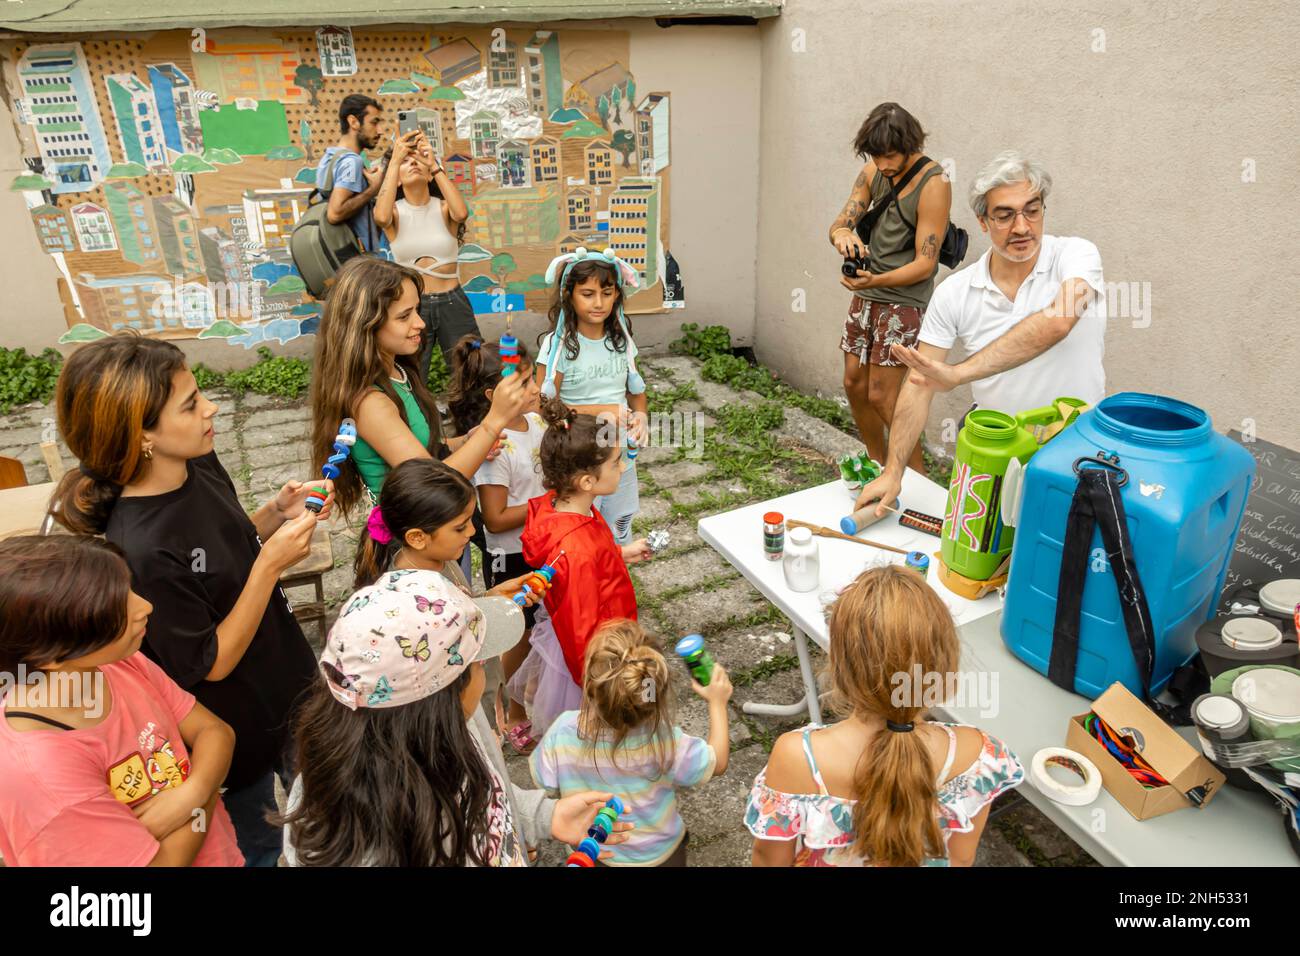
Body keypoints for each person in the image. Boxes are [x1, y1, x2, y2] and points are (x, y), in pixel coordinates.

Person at [50, 334, 324, 867]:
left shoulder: (195, 462)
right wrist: (270, 566)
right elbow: (212, 662)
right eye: (191, 403)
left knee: (322, 824)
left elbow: (224, 545)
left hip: (289, 683)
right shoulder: (141, 550)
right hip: (234, 731)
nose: (211, 408)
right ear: (142, 435)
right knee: (263, 848)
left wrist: (275, 511)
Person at [279, 568, 634, 866]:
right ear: (440, 700)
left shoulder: (452, 727)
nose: (485, 670)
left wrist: (542, 816)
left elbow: (486, 797)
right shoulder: (352, 845)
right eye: (478, 660)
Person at [854, 150, 1107, 516]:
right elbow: (920, 382)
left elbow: (1058, 321)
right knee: (981, 565)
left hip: (1077, 457)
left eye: (1032, 211)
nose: (1021, 227)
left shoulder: (1077, 256)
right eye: (1004, 215)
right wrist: (894, 472)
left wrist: (957, 374)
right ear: (983, 221)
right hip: (997, 456)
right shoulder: (954, 292)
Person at [746, 565, 1024, 866]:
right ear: (944, 666)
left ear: (840, 667)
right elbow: (961, 859)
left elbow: (769, 859)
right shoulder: (978, 756)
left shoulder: (797, 757)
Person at [0, 535, 243, 867]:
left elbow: (216, 732)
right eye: (115, 607)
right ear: (52, 655)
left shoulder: (115, 662)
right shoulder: (45, 777)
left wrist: (196, 793)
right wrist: (207, 787)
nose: (145, 606)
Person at [309, 255, 528, 518]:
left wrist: (464, 443)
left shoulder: (398, 371)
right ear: (366, 325)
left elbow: (419, 444)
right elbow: (433, 486)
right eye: (404, 316)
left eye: (417, 310)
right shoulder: (369, 402)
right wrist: (494, 421)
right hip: (412, 538)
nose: (421, 323)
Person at [531, 619, 733, 866]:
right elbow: (718, 762)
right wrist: (717, 703)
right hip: (660, 856)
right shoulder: (666, 741)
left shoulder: (563, 730)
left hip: (592, 849)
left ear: (590, 688)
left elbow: (543, 783)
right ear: (654, 697)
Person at [513, 397, 652, 735]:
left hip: (601, 634)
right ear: (587, 481)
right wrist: (600, 688)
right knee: (600, 735)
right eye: (617, 462)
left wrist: (619, 553)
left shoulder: (568, 509)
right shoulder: (575, 548)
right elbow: (581, 627)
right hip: (595, 660)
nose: (622, 467)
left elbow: (593, 551)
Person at [829, 103, 950, 472]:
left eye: (890, 156)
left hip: (903, 301)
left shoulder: (934, 183)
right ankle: (877, 466)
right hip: (866, 296)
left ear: (910, 144)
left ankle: (914, 478)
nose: (882, 164)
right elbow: (838, 223)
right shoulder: (872, 172)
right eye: (876, 156)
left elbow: (924, 264)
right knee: (853, 383)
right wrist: (844, 235)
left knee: (885, 397)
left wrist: (875, 280)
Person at [448, 334, 548, 750]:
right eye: (524, 383)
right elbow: (494, 517)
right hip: (512, 557)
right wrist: (551, 502)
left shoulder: (535, 422)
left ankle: (535, 694)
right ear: (494, 394)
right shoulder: (495, 445)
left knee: (543, 626)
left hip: (541, 542)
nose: (536, 389)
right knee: (518, 636)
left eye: (532, 379)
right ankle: (513, 713)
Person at [535, 248, 649, 544]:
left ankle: (619, 562)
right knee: (583, 527)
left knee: (620, 517)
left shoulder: (620, 340)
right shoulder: (558, 346)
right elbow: (542, 406)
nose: (599, 303)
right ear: (569, 296)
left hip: (619, 454)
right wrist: (602, 409)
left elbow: (636, 392)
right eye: (587, 294)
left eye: (607, 293)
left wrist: (641, 418)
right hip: (578, 456)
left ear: (616, 296)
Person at [375, 128, 478, 383]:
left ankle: (473, 419)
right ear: (396, 177)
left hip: (453, 301)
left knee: (471, 369)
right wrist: (395, 159)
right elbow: (380, 216)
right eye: (406, 161)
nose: (414, 164)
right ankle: (415, 421)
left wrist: (433, 164)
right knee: (411, 372)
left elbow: (461, 213)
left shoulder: (444, 209)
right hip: (413, 305)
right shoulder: (394, 214)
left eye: (418, 160)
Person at [318, 93, 385, 253]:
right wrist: (373, 190)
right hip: (358, 262)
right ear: (353, 122)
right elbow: (335, 213)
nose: (380, 131)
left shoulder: (329, 158)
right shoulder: (351, 162)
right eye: (374, 123)